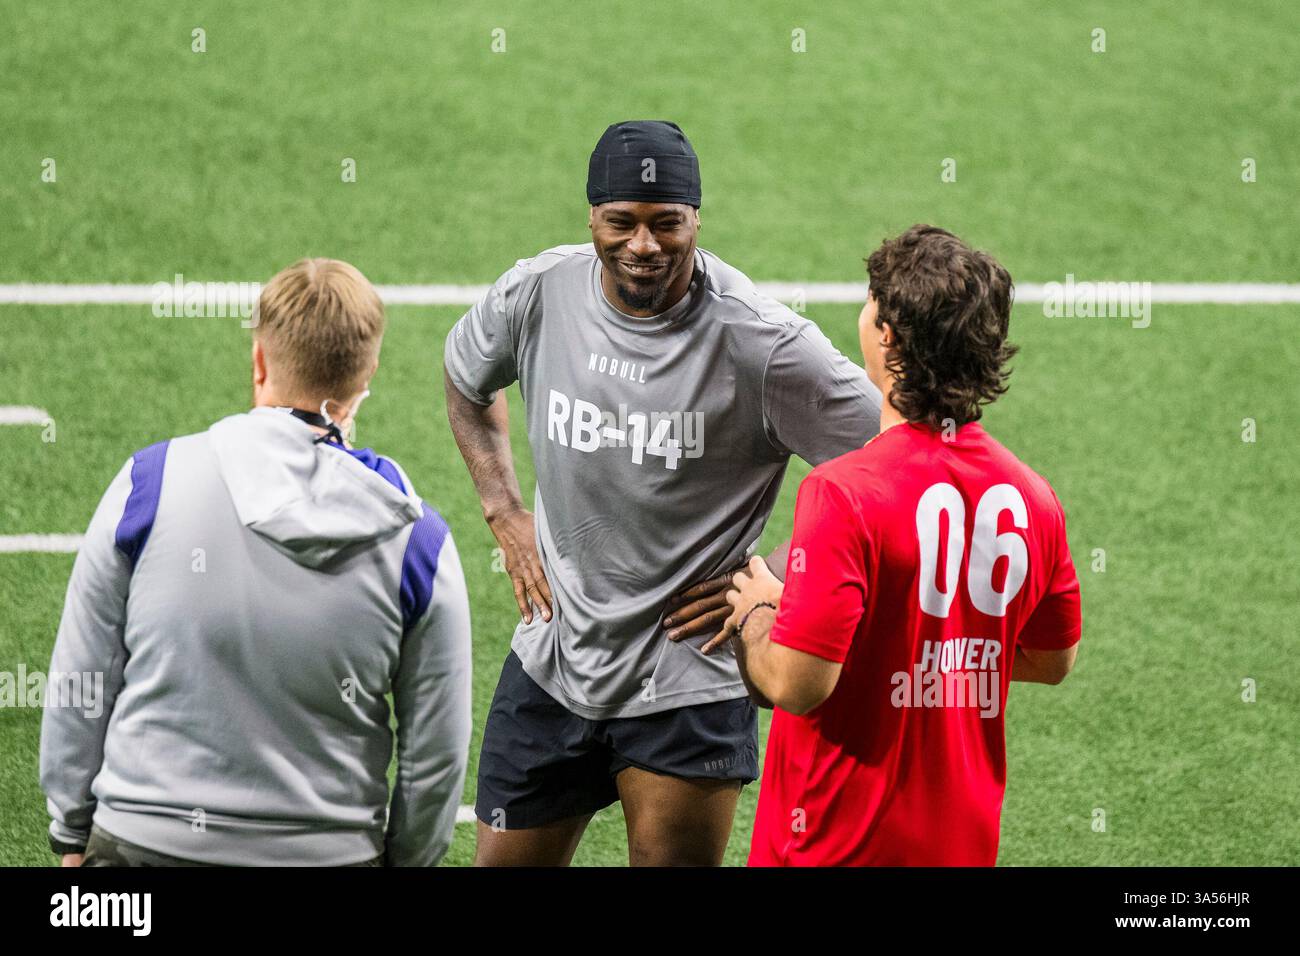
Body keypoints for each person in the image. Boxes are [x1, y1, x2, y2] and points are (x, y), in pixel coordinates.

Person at [443, 120, 882, 865]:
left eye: (665, 224)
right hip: (554, 654)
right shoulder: (538, 293)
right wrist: (503, 510)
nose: (642, 245)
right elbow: (465, 377)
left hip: (688, 675)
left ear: (696, 220)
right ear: (592, 218)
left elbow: (887, 463)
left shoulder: (761, 343)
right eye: (621, 222)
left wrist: (774, 574)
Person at [40, 258, 472, 867]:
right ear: (366, 376)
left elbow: (82, 677)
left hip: (141, 844)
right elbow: (438, 755)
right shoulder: (418, 542)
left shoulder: (147, 487)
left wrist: (70, 828)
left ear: (261, 360)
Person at [725, 224, 1082, 866]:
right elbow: (1051, 659)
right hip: (961, 843)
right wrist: (928, 654)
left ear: (886, 334)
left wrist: (759, 613)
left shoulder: (842, 493)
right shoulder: (1034, 496)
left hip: (835, 844)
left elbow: (798, 685)